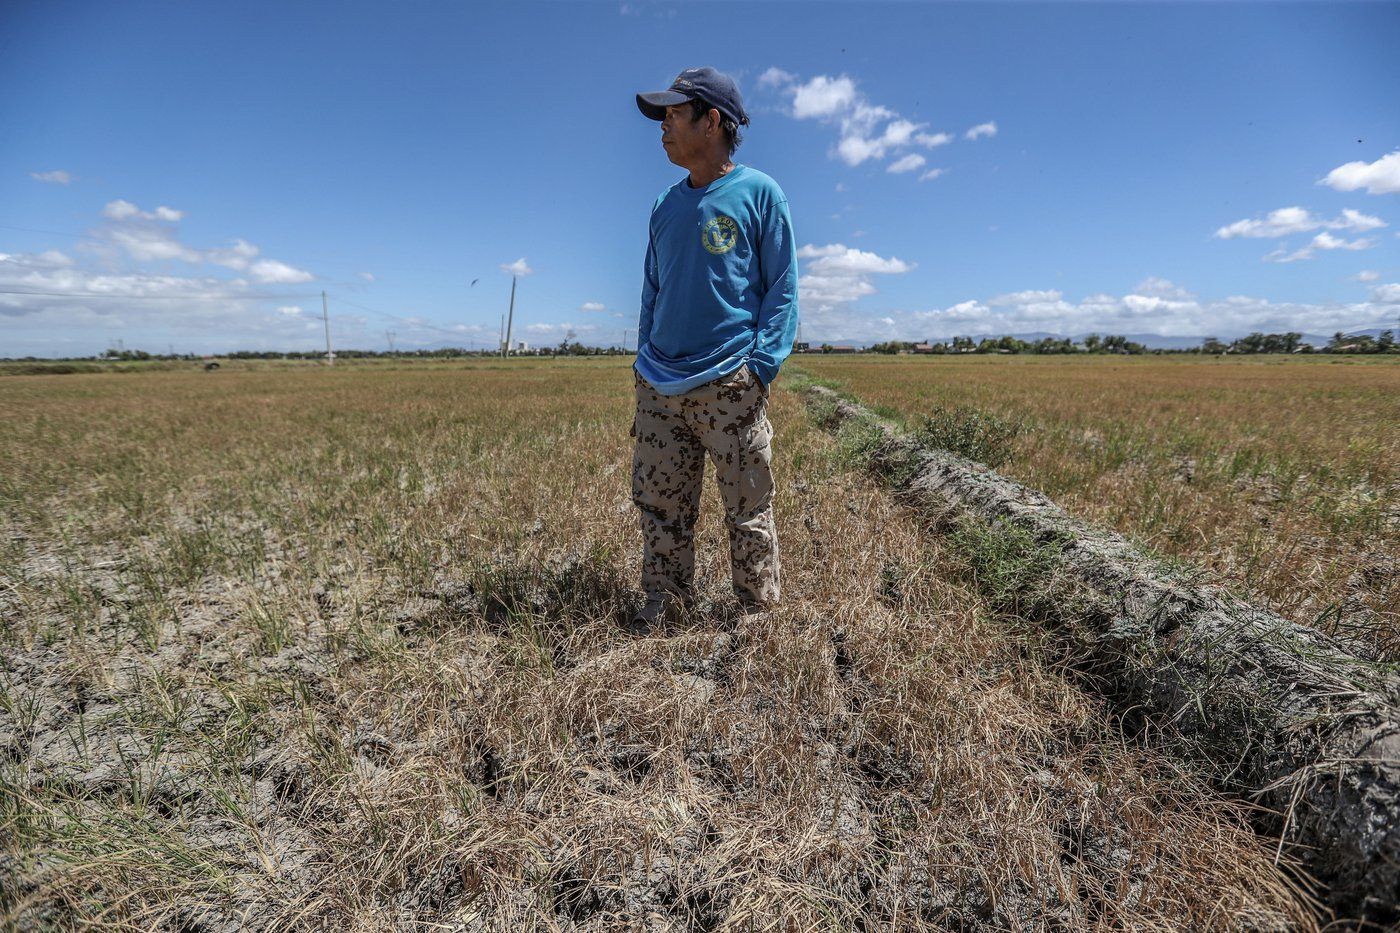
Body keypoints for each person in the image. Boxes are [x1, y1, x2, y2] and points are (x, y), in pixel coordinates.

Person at [626, 66, 800, 634]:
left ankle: (756, 620)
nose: (664, 127)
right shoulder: (663, 206)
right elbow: (653, 286)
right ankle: (665, 607)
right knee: (661, 510)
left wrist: (761, 368)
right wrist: (642, 364)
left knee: (748, 510)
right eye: (663, 117)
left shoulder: (759, 193)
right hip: (660, 383)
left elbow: (782, 289)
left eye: (675, 114)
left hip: (730, 379)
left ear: (713, 121)